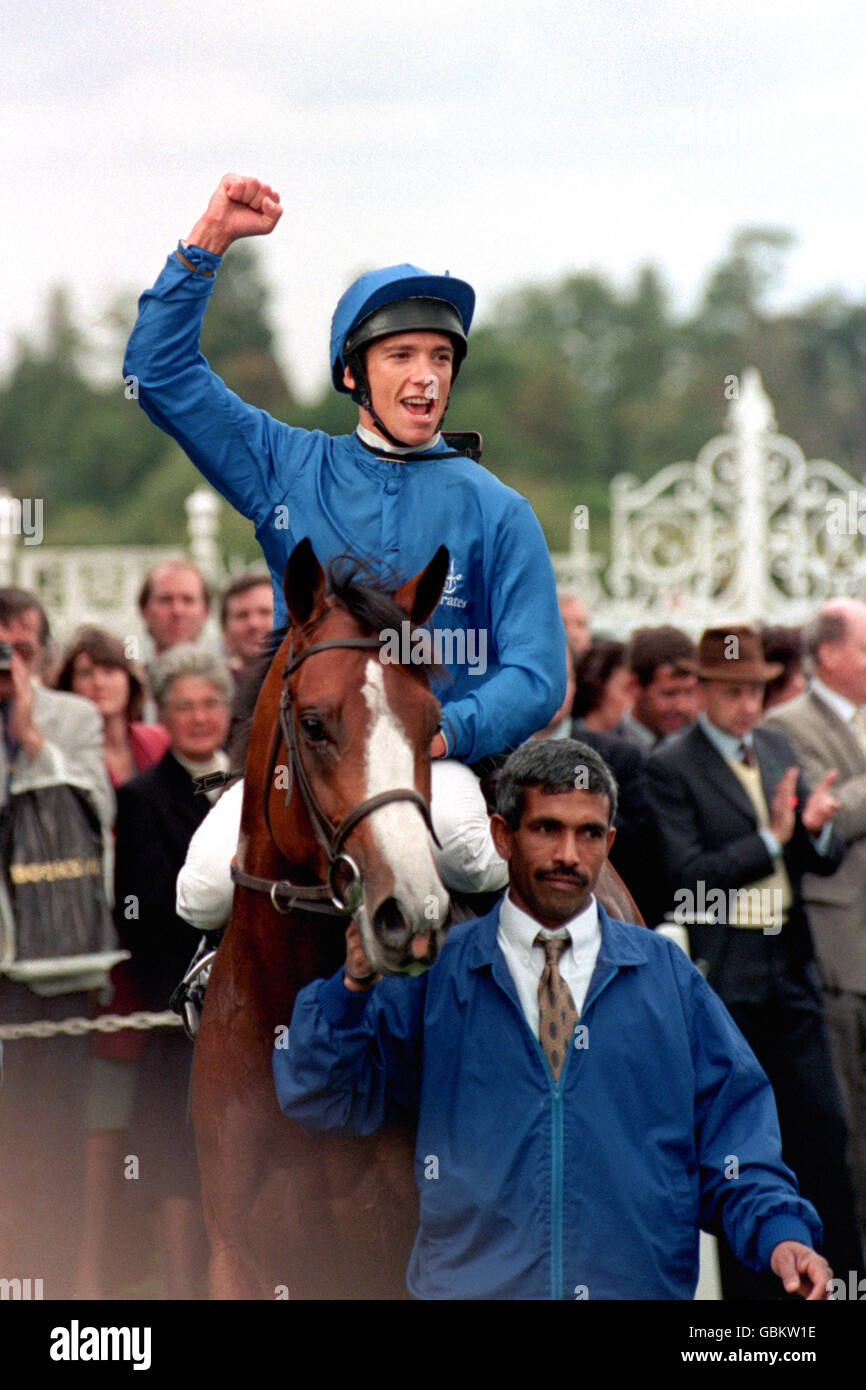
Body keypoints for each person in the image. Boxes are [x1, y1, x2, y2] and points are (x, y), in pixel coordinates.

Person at [124, 173, 566, 892]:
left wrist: (439, 730)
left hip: (441, 760)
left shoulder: (500, 510)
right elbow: (157, 373)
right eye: (402, 356)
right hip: (305, 760)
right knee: (201, 887)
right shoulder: (284, 467)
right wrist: (209, 241)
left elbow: (538, 674)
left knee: (469, 856)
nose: (426, 378)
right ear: (353, 375)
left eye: (441, 358)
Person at [274, 738, 831, 1301]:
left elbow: (734, 1136)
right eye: (546, 829)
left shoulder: (668, 977)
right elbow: (324, 1100)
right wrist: (351, 989)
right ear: (501, 836)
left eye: (589, 833)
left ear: (609, 843)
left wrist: (780, 1233)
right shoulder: (435, 977)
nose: (569, 853)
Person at [645, 625, 863, 1295]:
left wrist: (815, 826)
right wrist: (771, 837)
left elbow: (807, 856)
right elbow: (686, 878)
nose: (747, 703)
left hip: (790, 968)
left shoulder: (773, 743)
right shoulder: (670, 765)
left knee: (824, 1137)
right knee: (739, 1145)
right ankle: (753, 1308)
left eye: (756, 690)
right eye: (733, 691)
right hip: (727, 977)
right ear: (706, 690)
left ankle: (839, 1282)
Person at [0, 588, 116, 1297]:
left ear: (42, 652)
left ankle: (48, 1286)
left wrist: (29, 734)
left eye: (21, 648)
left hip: (52, 965)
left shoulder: (72, 715)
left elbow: (95, 811)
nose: (10, 661)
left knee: (50, 1142)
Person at [114, 644, 231, 1298]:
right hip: (177, 1010)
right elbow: (139, 909)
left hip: (254, 1010)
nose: (198, 716)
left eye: (210, 702)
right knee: (173, 1165)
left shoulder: (253, 787)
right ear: (164, 713)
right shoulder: (142, 798)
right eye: (182, 705)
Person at [763, 598, 866, 1253]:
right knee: (846, 1128)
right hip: (835, 955)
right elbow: (809, 827)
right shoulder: (786, 727)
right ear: (828, 655)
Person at [619, 624, 700, 752]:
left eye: (689, 692)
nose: (682, 706)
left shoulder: (699, 747)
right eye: (669, 694)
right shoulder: (606, 748)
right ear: (634, 687)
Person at [138, 559, 211, 657]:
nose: (178, 611)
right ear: (144, 610)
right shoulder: (123, 672)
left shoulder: (226, 672)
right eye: (166, 600)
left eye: (188, 600)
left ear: (205, 611)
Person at [219, 572, 274, 680]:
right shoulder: (215, 691)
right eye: (242, 615)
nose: (254, 623)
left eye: (265, 612)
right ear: (225, 631)